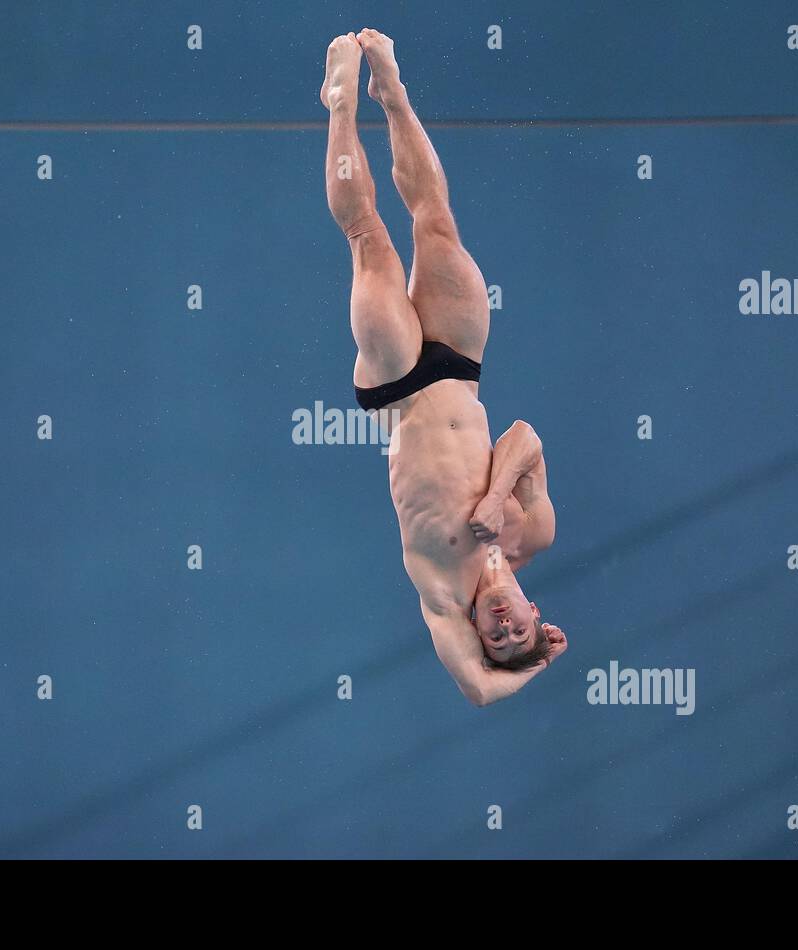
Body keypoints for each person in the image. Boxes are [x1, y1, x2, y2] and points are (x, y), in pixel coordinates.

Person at [322, 29, 566, 706]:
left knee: (369, 239)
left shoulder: (441, 595)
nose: (503, 629)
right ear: (536, 615)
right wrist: (494, 498)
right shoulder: (533, 533)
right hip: (460, 370)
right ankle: (393, 95)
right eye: (522, 632)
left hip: (397, 387)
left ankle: (340, 103)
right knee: (436, 223)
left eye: (498, 641)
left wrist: (536, 663)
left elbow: (481, 694)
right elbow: (524, 437)